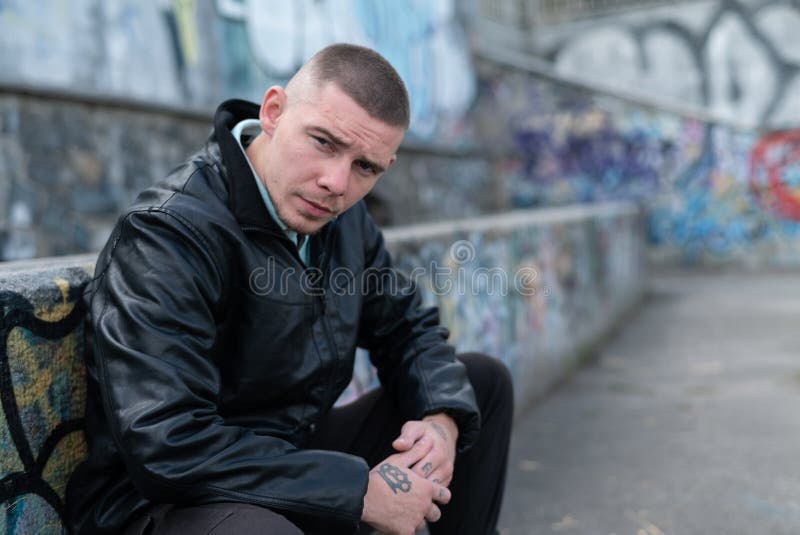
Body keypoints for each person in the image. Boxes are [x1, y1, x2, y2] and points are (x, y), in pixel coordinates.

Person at [66, 43, 513, 535]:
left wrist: (440, 422)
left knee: (481, 385)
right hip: (164, 501)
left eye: (365, 167)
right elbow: (168, 442)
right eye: (324, 142)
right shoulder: (168, 233)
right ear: (274, 112)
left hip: (292, 459)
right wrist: (357, 491)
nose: (336, 182)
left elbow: (407, 327)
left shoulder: (342, 219)